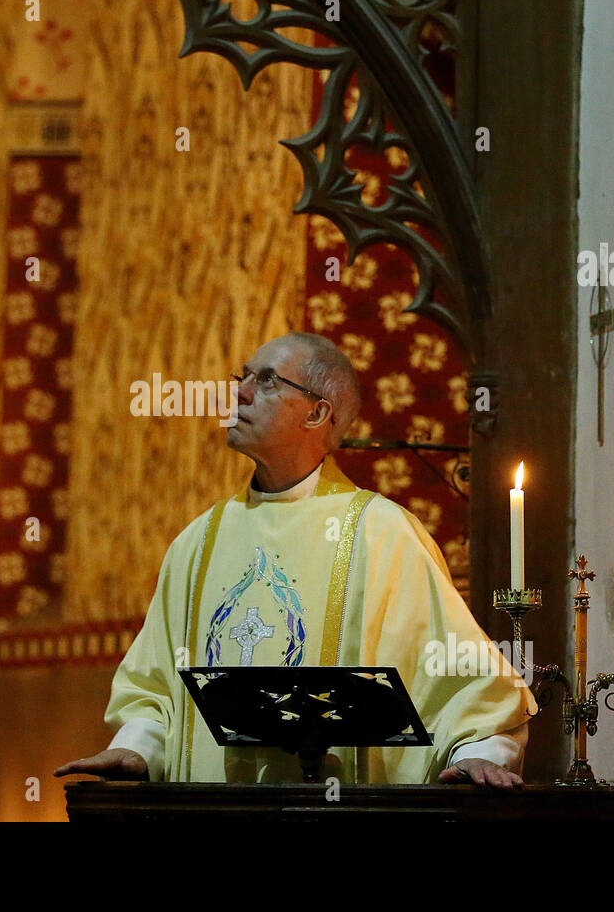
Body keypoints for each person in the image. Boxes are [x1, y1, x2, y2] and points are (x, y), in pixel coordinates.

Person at [56, 332, 535, 789]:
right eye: (241, 376)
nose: (239, 393)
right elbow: (155, 682)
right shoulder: (198, 542)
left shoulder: (382, 535)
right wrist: (138, 747)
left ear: (316, 413)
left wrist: (478, 751)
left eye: (265, 380)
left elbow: (462, 677)